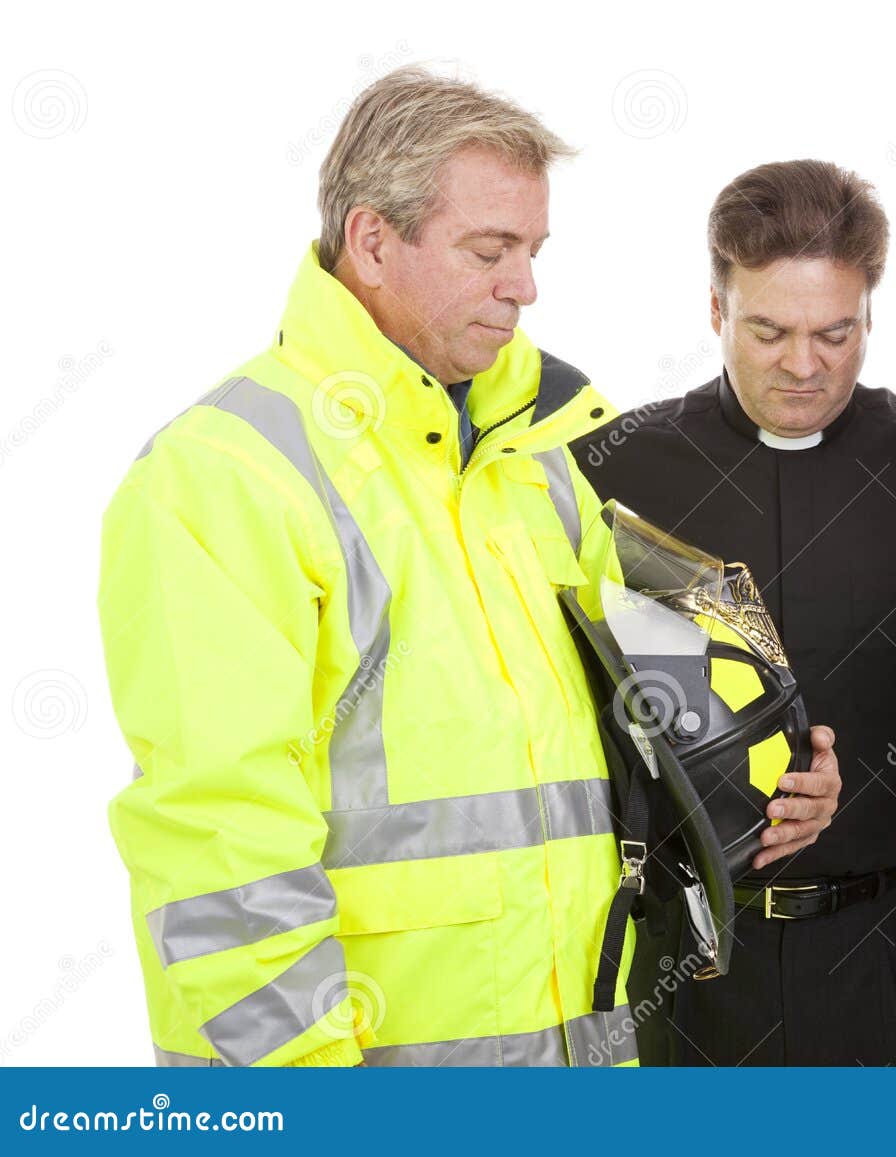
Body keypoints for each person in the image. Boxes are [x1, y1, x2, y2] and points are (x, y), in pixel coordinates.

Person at [97, 67, 838, 1068]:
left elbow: (652, 701)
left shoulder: (541, 456)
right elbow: (218, 847)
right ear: (372, 242)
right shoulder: (226, 475)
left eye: (532, 252)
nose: (524, 286)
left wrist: (768, 778)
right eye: (489, 251)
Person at [574, 160, 896, 1065]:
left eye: (835, 332)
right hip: (679, 961)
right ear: (716, 310)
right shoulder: (611, 471)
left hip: (892, 961)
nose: (803, 364)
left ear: (870, 316)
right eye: (768, 330)